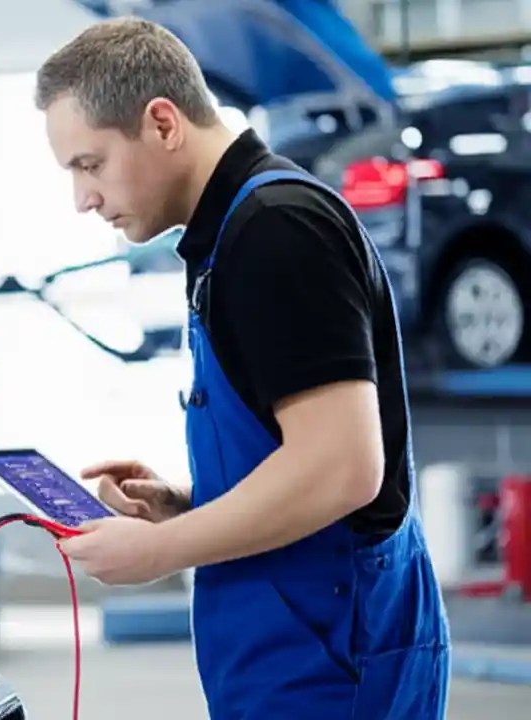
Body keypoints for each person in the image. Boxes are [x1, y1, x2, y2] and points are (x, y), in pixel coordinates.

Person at [35, 17, 450, 720]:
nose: (83, 198)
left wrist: (161, 550)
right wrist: (192, 501)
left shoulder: (275, 230)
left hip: (331, 656)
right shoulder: (231, 234)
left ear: (162, 122)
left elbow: (345, 469)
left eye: (90, 164)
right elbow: (302, 455)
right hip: (295, 644)